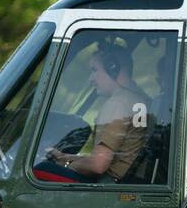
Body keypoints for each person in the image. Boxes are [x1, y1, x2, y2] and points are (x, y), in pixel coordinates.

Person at [40, 44, 149, 183]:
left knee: (41, 169)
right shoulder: (141, 99)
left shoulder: (117, 104)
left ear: (112, 68)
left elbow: (98, 166)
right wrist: (65, 157)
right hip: (127, 181)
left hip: (108, 184)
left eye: (94, 70)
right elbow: (114, 157)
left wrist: (66, 165)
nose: (91, 78)